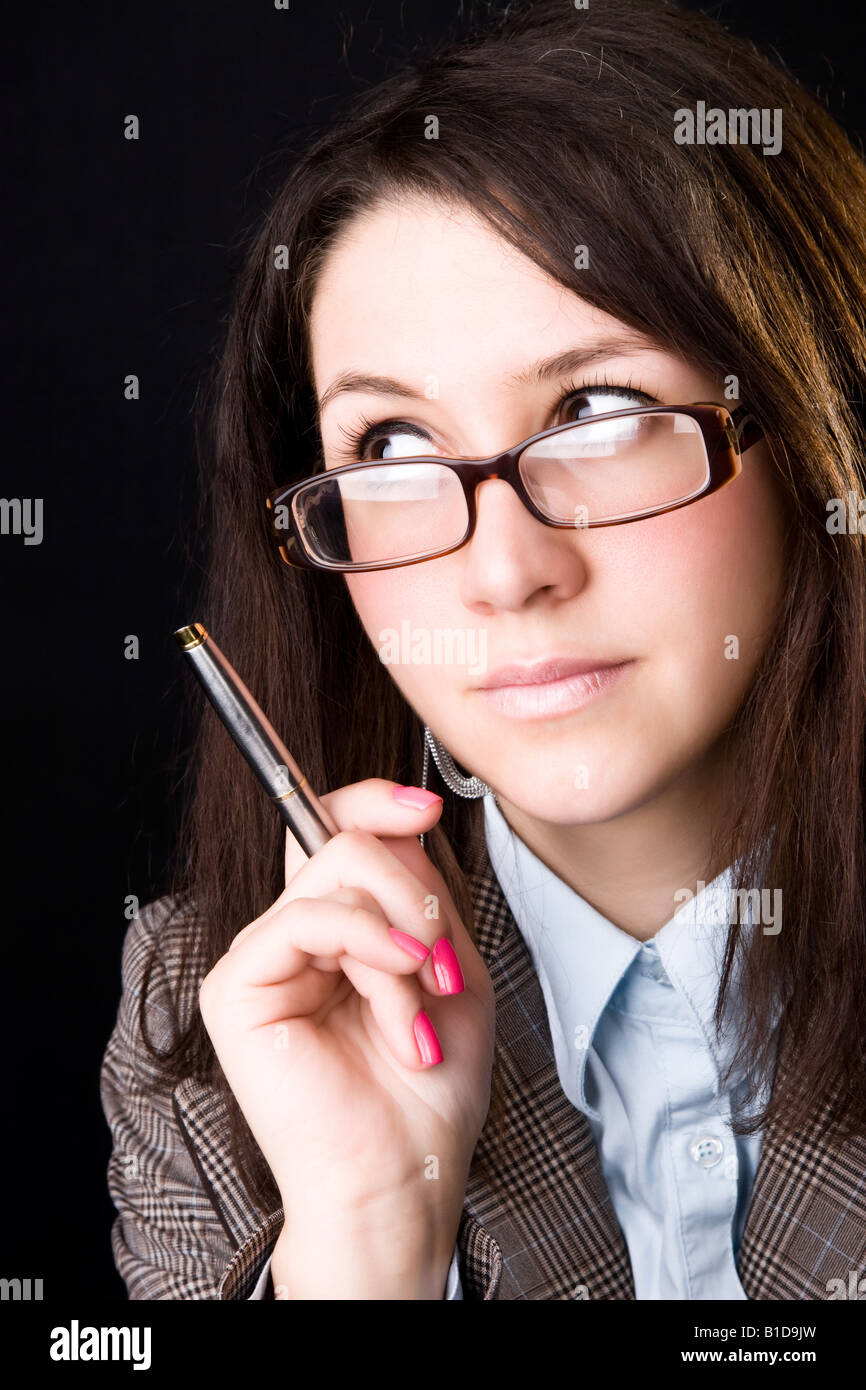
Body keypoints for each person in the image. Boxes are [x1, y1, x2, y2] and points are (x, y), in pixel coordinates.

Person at [100, 0, 866, 1300]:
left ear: (810, 428)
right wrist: (366, 1235)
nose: (504, 571)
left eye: (598, 408)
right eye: (391, 449)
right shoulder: (221, 1019)